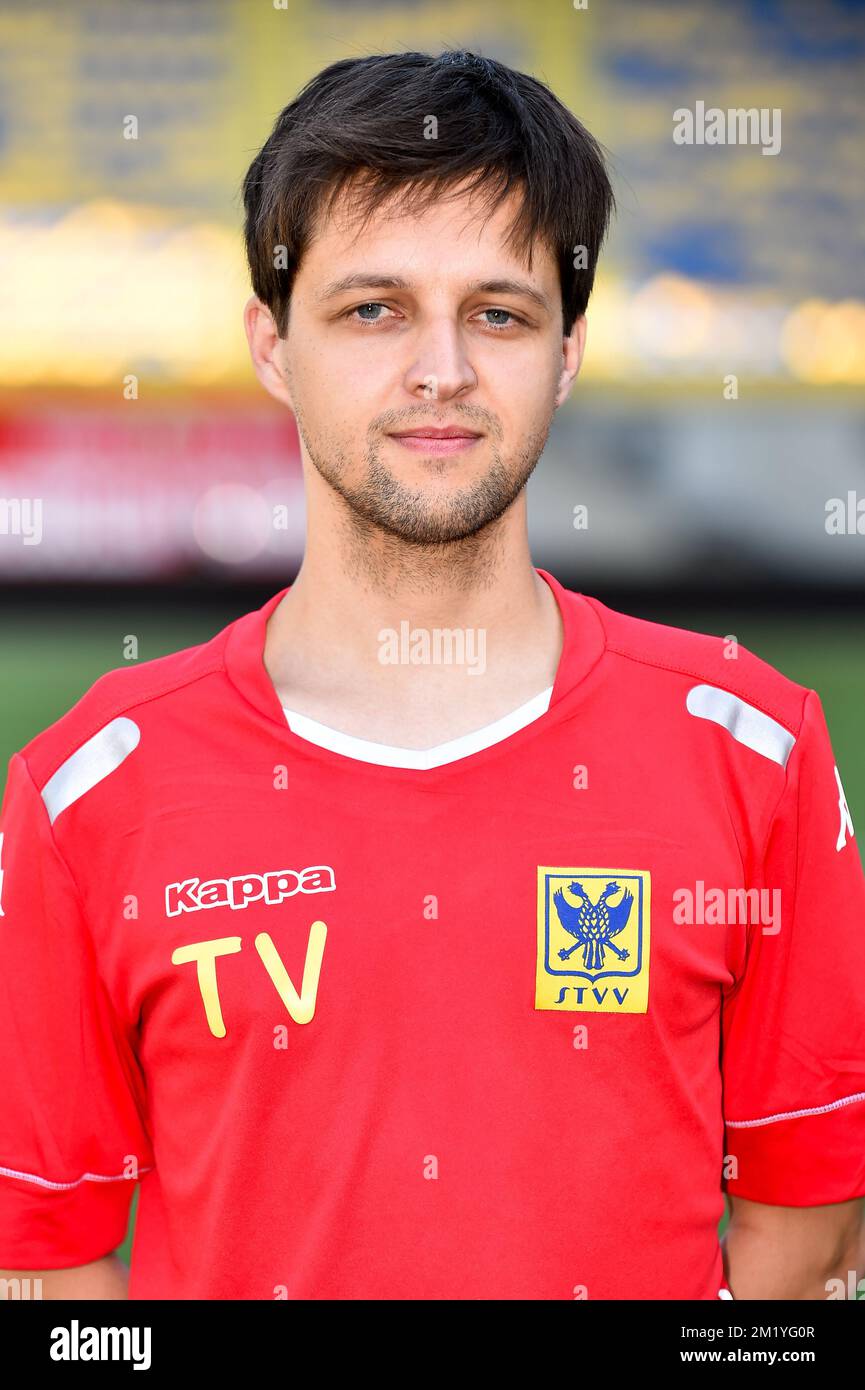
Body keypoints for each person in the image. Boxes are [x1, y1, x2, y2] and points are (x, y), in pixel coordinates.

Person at [1, 49, 863, 1301]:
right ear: (272, 345)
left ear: (567, 352)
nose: (441, 371)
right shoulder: (89, 792)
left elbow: (808, 1230)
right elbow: (47, 1264)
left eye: (498, 313)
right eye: (373, 309)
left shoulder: (755, 749)